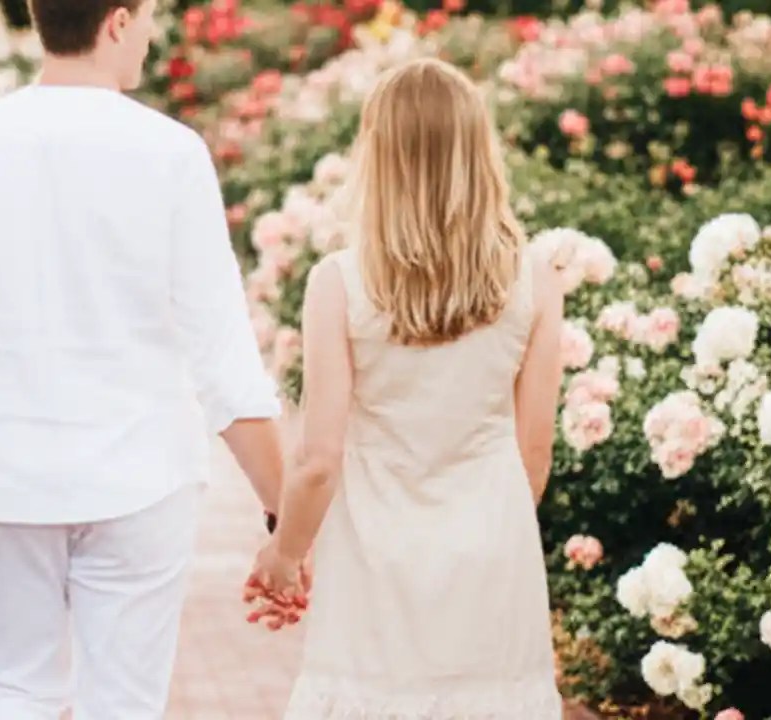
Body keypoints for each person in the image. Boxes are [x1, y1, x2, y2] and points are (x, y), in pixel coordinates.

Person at [0, 1, 289, 717]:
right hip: (140, 477)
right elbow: (225, 367)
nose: (151, 33)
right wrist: (287, 514)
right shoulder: (171, 152)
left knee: (13, 687)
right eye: (147, 16)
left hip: (6, 474)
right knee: (123, 702)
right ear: (117, 21)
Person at [246, 57, 566, 718]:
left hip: (374, 563)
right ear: (479, 152)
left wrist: (284, 556)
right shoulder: (535, 279)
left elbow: (317, 462)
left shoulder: (339, 282)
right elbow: (534, 455)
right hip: (491, 554)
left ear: (378, 156)